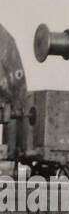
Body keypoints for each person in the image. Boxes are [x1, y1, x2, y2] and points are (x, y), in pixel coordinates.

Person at [0, 21, 33, 159]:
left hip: (11, 93)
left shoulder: (5, 40)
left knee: (14, 111)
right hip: (10, 92)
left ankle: (11, 150)